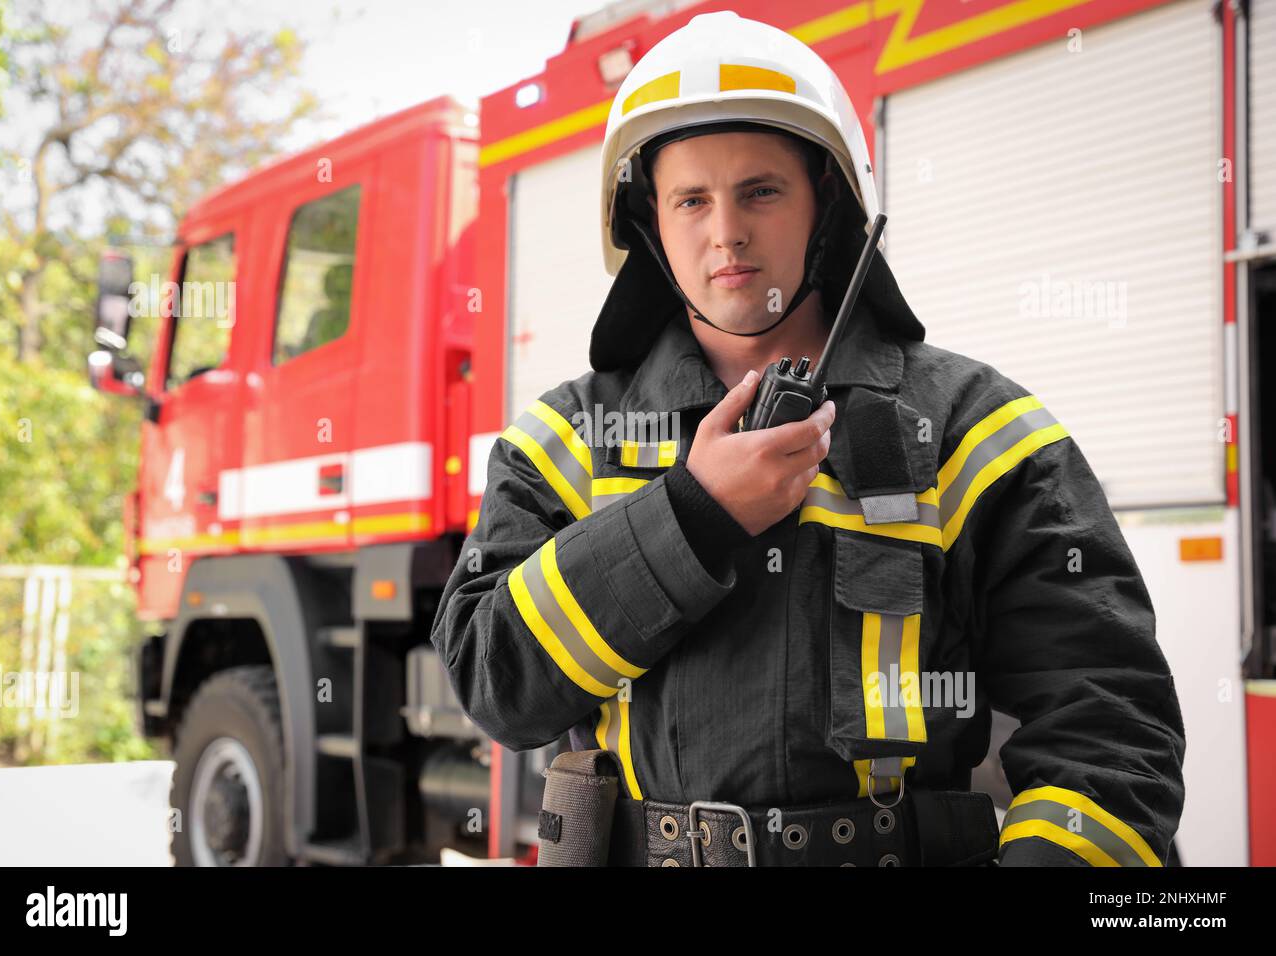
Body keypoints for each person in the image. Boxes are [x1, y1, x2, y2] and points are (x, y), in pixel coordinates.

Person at [430, 10, 1186, 867]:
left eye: (760, 190)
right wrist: (692, 517)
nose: (726, 232)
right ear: (647, 222)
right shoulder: (567, 439)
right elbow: (495, 683)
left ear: (827, 202)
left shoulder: (978, 428)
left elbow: (1108, 717)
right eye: (691, 199)